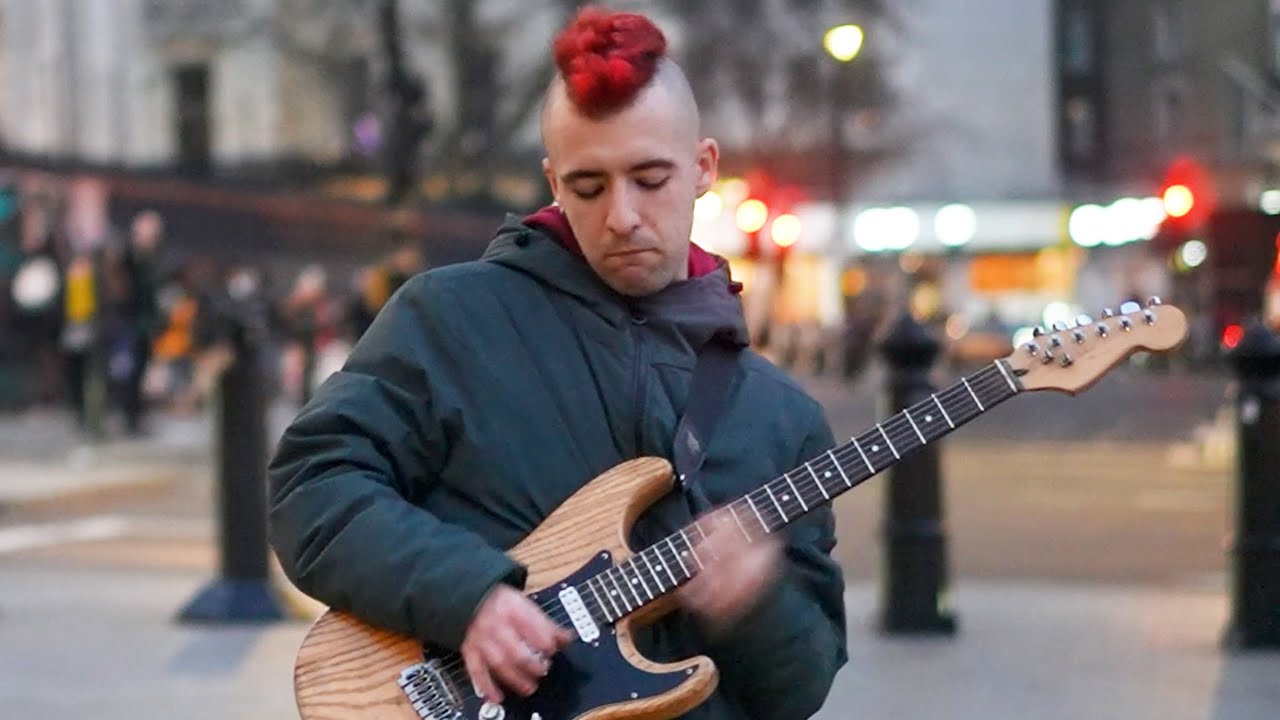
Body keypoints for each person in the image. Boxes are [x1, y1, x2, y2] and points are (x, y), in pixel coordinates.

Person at [268, 7, 847, 719]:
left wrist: (755, 603)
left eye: (650, 178)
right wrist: (470, 597)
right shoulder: (452, 320)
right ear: (552, 180)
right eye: (589, 186)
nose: (623, 216)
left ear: (703, 168)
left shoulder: (779, 418)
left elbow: (801, 690)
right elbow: (313, 486)